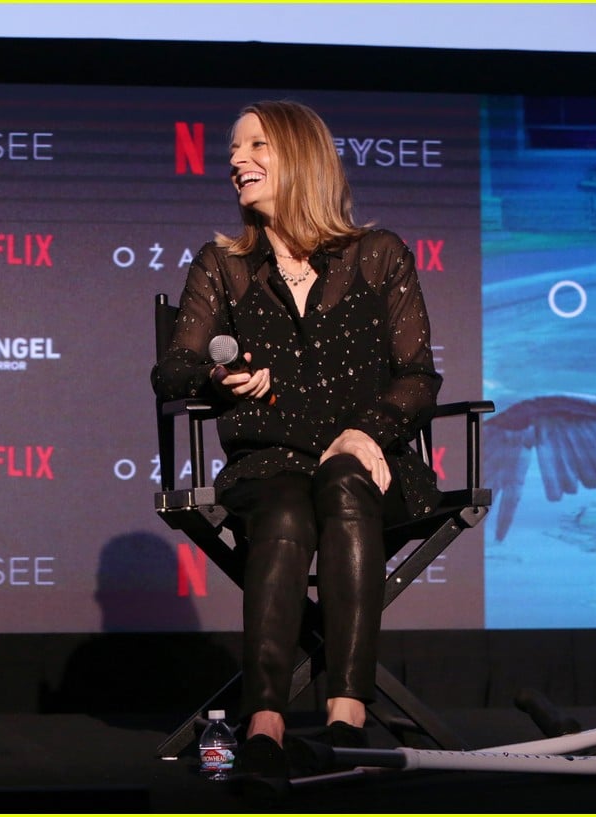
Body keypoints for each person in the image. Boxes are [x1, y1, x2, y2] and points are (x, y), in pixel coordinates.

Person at [151, 100, 443, 786]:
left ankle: (345, 717)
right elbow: (173, 369)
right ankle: (265, 724)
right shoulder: (223, 265)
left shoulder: (379, 255)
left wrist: (366, 431)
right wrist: (219, 376)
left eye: (255, 145)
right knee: (284, 510)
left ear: (300, 157)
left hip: (369, 463)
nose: (234, 160)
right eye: (230, 149)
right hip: (271, 459)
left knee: (343, 478)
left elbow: (417, 377)